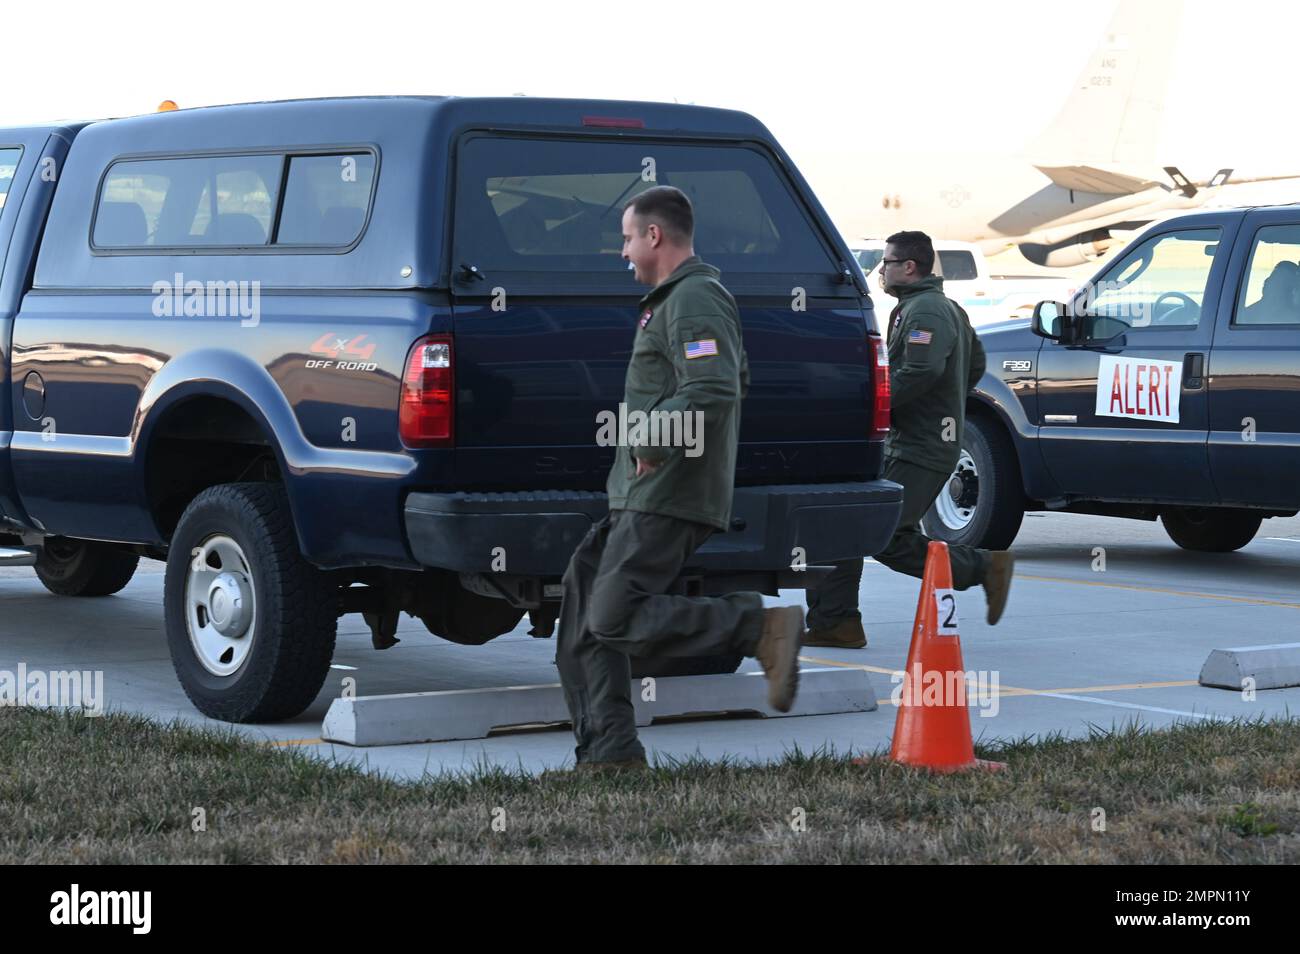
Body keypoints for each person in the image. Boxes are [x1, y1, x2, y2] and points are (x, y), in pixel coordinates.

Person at [555, 186, 804, 773]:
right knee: (583, 619)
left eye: (627, 238)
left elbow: (713, 387)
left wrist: (648, 439)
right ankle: (610, 754)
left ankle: (761, 626)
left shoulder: (694, 300)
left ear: (655, 236)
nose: (624, 253)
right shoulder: (673, 301)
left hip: (668, 492)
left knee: (612, 617)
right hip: (640, 492)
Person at [803, 231, 1014, 648]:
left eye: (888, 262)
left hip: (920, 447)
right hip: (913, 441)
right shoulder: (932, 308)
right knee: (860, 528)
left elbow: (921, 372)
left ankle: (982, 568)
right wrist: (945, 401)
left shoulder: (927, 312)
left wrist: (879, 406)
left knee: (874, 533)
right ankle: (836, 621)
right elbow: (973, 366)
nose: (882, 271)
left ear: (910, 267)